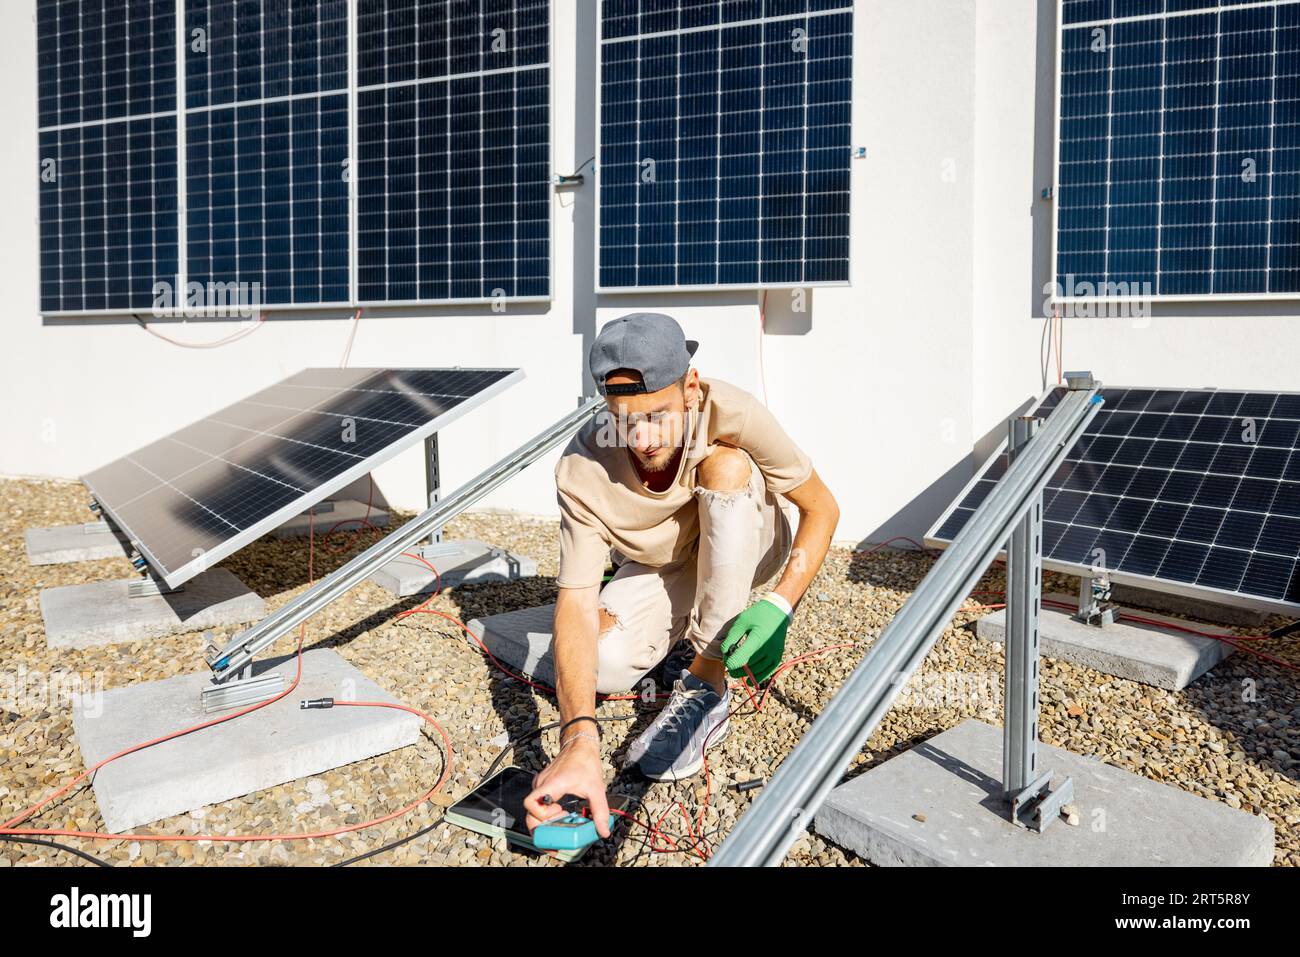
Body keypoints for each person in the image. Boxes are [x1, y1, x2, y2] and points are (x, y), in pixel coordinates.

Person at [524, 312, 839, 838]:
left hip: (749, 535)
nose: (643, 439)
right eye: (625, 419)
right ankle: (685, 636)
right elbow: (574, 604)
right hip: (665, 564)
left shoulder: (731, 409)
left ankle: (707, 687)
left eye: (657, 415)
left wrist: (780, 604)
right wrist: (578, 739)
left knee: (728, 465)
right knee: (601, 664)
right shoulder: (581, 470)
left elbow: (821, 508)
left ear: (690, 388)